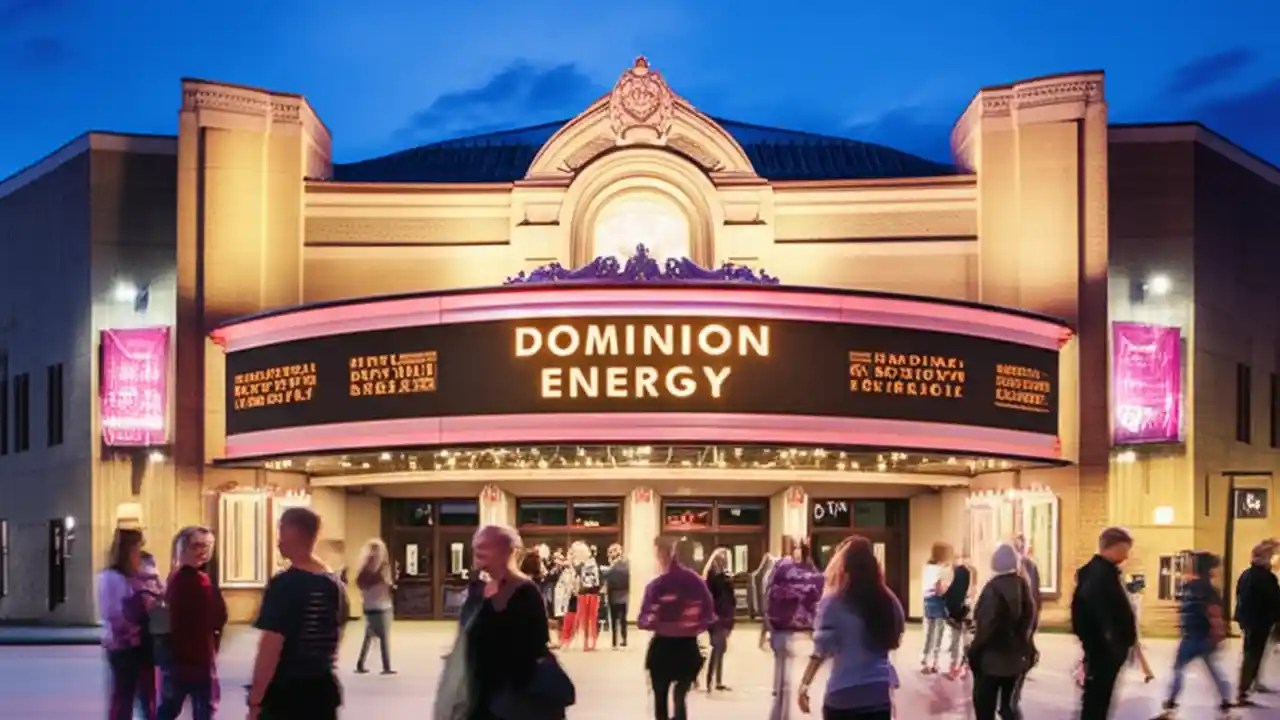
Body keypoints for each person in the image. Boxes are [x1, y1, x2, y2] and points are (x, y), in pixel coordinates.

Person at [247, 507, 348, 720]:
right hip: (322, 690)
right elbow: (337, 634)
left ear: (291, 532)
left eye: (281, 532)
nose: (278, 541)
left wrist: (255, 700)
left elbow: (271, 647)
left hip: (287, 695)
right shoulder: (335, 584)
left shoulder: (285, 585)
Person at [797, 535, 903, 720]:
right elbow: (897, 633)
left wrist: (804, 685)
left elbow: (821, 651)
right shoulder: (889, 601)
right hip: (879, 694)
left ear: (844, 567)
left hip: (843, 694)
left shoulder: (833, 603)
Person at [465, 525, 563, 720]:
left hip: (516, 695)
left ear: (506, 552)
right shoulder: (478, 590)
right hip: (484, 693)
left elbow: (535, 642)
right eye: (477, 550)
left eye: (485, 550)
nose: (479, 557)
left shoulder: (525, 591)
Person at [638, 536, 716, 720]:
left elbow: (643, 620)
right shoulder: (696, 583)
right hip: (687, 648)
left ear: (662, 554)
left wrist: (661, 621)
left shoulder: (657, 586)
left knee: (660, 698)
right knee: (680, 696)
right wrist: (690, 625)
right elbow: (709, 615)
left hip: (662, 648)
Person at [158, 526, 225, 720]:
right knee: (198, 707)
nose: (202, 551)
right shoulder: (190, 580)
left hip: (191, 656)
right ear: (182, 549)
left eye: (207, 546)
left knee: (174, 707)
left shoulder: (184, 578)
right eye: (196, 546)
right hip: (190, 657)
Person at [1071, 527, 1137, 720]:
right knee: (1096, 699)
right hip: (1103, 651)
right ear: (1113, 547)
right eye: (1125, 549)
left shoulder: (1106, 573)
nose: (1126, 555)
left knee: (1100, 699)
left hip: (1107, 650)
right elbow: (1096, 614)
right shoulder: (1098, 576)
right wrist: (1112, 643)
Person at [968, 543, 1037, 720]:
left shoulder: (993, 588)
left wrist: (974, 650)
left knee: (985, 706)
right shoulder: (1024, 586)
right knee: (1009, 706)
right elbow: (1030, 620)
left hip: (992, 658)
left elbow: (987, 625)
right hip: (1016, 658)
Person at [99, 528, 157, 720]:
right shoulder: (112, 577)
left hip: (143, 645)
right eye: (137, 548)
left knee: (148, 698)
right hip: (123, 647)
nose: (139, 554)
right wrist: (132, 626)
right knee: (123, 698)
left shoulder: (139, 575)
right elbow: (113, 614)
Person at [1163, 551, 1232, 713]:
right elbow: (1214, 613)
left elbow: (1182, 610)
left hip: (1189, 635)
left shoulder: (1186, 587)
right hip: (1204, 635)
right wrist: (1219, 633)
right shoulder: (1210, 590)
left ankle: (1171, 700)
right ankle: (1225, 700)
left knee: (1178, 669)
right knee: (1214, 669)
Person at [767, 539, 825, 720]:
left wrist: (767, 625)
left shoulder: (781, 570)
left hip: (784, 631)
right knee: (789, 685)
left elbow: (768, 596)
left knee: (784, 686)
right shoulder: (818, 578)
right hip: (799, 632)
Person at [1236, 540, 1280, 706]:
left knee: (1250, 655)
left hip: (1250, 622)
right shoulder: (1266, 578)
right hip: (1260, 622)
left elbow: (1240, 598)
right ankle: (1243, 691)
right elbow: (1274, 600)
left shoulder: (1246, 574)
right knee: (1253, 656)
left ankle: (1246, 688)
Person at [355, 538, 397, 675]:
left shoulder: (363, 571)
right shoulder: (383, 568)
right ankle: (386, 666)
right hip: (383, 606)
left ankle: (360, 663)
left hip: (368, 606)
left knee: (368, 636)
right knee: (384, 638)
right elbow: (388, 585)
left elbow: (360, 586)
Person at [702, 547, 736, 693]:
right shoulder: (713, 576)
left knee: (721, 648)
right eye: (722, 557)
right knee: (718, 647)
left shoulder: (724, 575)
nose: (725, 560)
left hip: (726, 615)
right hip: (717, 616)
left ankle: (717, 681)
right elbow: (710, 597)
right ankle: (709, 681)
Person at [920, 541, 954, 674]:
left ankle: (924, 659)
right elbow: (939, 588)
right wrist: (947, 589)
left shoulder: (927, 567)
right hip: (938, 601)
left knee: (928, 631)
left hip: (927, 600)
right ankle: (934, 661)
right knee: (938, 633)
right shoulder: (941, 569)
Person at [942, 553, 974, 679]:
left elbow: (948, 593)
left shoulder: (958, 573)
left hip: (958, 611)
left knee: (956, 640)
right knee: (966, 640)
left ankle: (954, 667)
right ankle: (964, 667)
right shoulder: (968, 573)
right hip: (967, 610)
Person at [572, 541, 604, 651]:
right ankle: (587, 642)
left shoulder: (588, 564)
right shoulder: (581, 565)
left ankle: (591, 642)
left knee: (591, 619)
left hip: (590, 593)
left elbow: (599, 578)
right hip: (587, 593)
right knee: (586, 619)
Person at [605, 543, 631, 650]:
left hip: (617, 593)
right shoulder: (625, 564)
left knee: (617, 618)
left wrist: (610, 569)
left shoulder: (619, 565)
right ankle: (620, 640)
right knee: (620, 618)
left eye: (613, 551)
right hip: (621, 593)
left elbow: (610, 577)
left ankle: (617, 641)